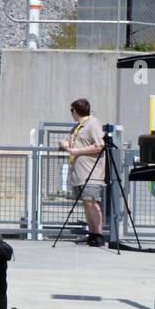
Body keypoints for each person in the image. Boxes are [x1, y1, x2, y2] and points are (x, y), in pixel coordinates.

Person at [58, 97, 106, 246]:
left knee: (92, 203)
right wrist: (66, 144)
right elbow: (65, 140)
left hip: (91, 173)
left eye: (72, 111)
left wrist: (77, 151)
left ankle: (98, 235)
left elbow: (99, 145)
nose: (71, 114)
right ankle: (92, 233)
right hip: (79, 174)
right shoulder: (78, 127)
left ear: (76, 111)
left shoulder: (93, 124)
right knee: (86, 203)